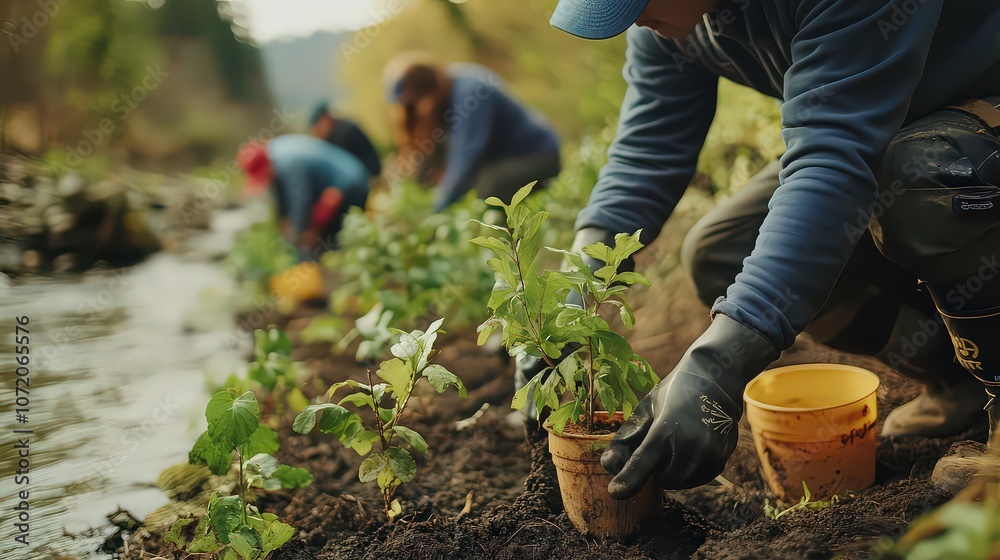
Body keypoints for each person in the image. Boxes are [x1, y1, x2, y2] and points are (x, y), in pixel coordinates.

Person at [532, 0, 1000, 500]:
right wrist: (573, 292)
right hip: (887, 123)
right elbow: (648, 147)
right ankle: (960, 380)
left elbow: (832, 159)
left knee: (930, 179)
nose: (633, 20)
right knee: (727, 252)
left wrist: (717, 364)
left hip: (976, 120)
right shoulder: (673, 23)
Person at [384, 56, 562, 212]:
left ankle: (513, 241)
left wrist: (439, 207)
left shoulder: (470, 91)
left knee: (487, 187)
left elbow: (467, 156)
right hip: (507, 159)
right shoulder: (448, 90)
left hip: (538, 156)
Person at [238, 134, 370, 260]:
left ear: (266, 165)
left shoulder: (287, 161)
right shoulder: (274, 155)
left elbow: (300, 201)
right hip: (333, 185)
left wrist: (299, 234)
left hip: (351, 183)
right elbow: (282, 199)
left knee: (329, 233)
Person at [309, 101, 383, 178]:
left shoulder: (344, 133)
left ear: (326, 117)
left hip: (370, 176)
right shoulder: (338, 130)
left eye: (318, 127)